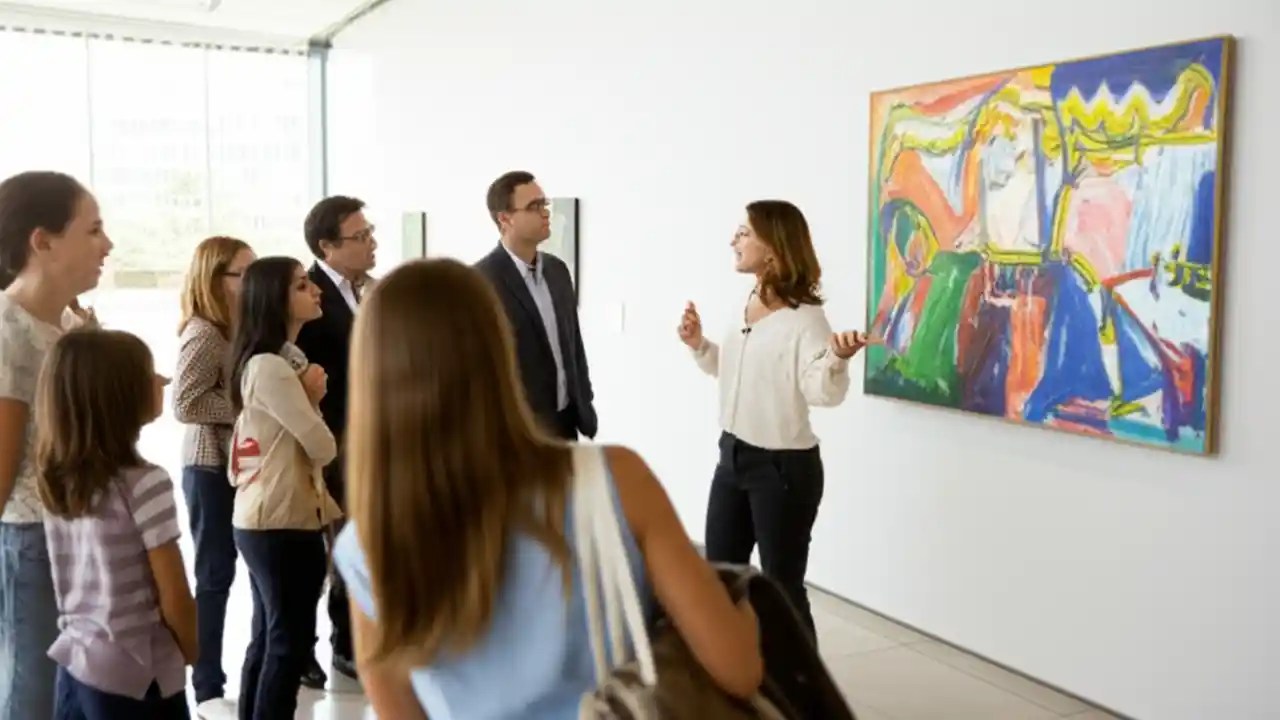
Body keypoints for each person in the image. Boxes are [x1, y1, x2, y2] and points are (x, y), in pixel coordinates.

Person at [332, 259, 763, 718]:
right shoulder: (614, 480)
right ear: (498, 349)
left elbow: (399, 708)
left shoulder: (367, 545)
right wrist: (744, 610)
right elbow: (737, 668)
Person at [677, 199, 868, 635]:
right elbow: (730, 373)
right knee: (722, 577)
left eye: (744, 232)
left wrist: (836, 358)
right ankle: (733, 682)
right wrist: (699, 344)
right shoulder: (745, 301)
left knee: (781, 589)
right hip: (732, 456)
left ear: (772, 246)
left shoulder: (806, 320)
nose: (734, 240)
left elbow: (822, 392)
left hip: (783, 468)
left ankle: (802, 693)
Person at [36, 329, 196, 718]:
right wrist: (194, 652)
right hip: (139, 674)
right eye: (148, 374)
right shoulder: (146, 483)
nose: (163, 380)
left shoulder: (59, 479)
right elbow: (173, 593)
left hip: (78, 662)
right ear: (119, 397)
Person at [0, 170, 112, 719]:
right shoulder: (7, 329)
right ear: (41, 241)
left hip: (84, 531)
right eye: (92, 230)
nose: (107, 245)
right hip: (32, 539)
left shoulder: (69, 325)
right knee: (33, 693)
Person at [228, 256, 341, 720]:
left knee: (270, 636)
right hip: (280, 519)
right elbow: (322, 445)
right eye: (301, 285)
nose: (315, 290)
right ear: (275, 300)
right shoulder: (272, 369)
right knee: (288, 644)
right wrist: (312, 399)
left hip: (270, 516)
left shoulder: (283, 361)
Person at [172, 235, 255, 717]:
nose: (251, 280)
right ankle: (206, 687)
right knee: (214, 573)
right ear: (215, 278)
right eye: (242, 272)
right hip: (207, 465)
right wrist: (248, 410)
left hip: (233, 463)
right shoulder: (204, 331)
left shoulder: (237, 328)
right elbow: (184, 404)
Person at [294, 195, 375, 686]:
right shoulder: (311, 294)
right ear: (326, 245)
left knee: (363, 542)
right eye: (359, 237)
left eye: (370, 233)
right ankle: (343, 644)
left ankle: (357, 638)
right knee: (341, 544)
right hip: (334, 441)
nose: (371, 244)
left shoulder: (366, 290)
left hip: (368, 438)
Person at [475, 171, 597, 441]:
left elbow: (574, 344)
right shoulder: (481, 281)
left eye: (545, 204)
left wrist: (585, 401)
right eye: (534, 207)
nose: (545, 213)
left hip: (567, 423)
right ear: (504, 219)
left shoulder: (558, 271)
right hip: (516, 432)